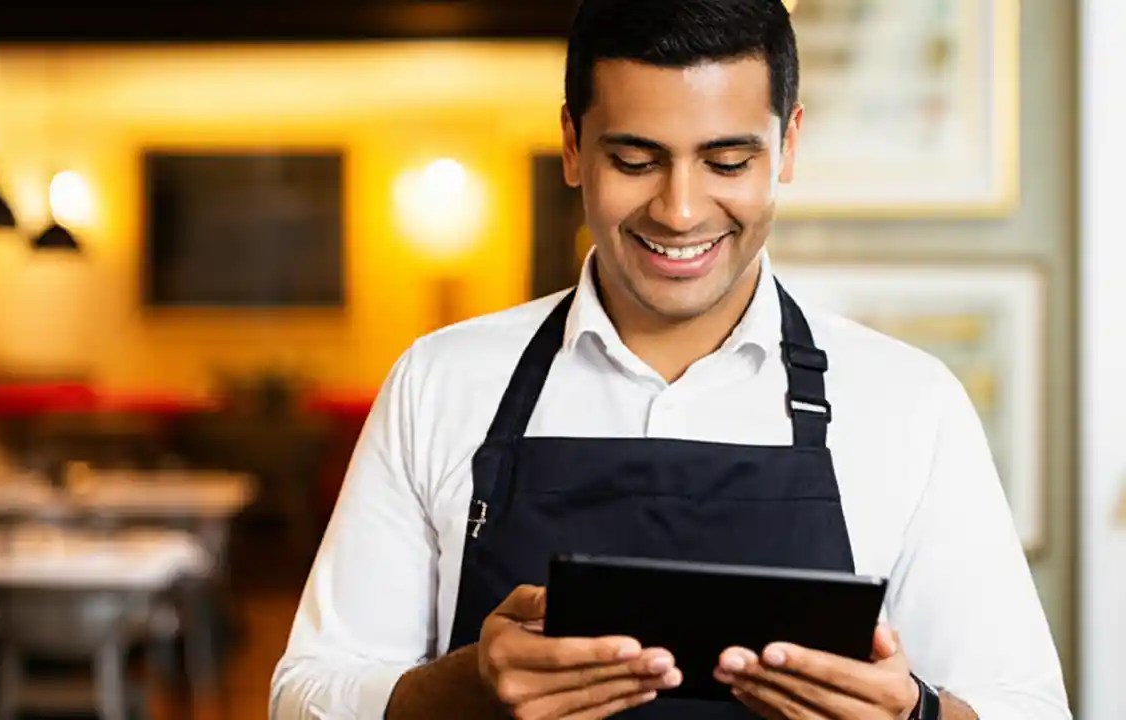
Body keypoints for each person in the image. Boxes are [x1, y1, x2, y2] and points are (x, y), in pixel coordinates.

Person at [269, 1, 1070, 718]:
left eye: (727, 162)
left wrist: (914, 718)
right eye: (634, 160)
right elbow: (303, 693)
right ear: (573, 146)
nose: (680, 210)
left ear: (786, 146)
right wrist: (465, 692)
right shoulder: (439, 382)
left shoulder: (910, 402)